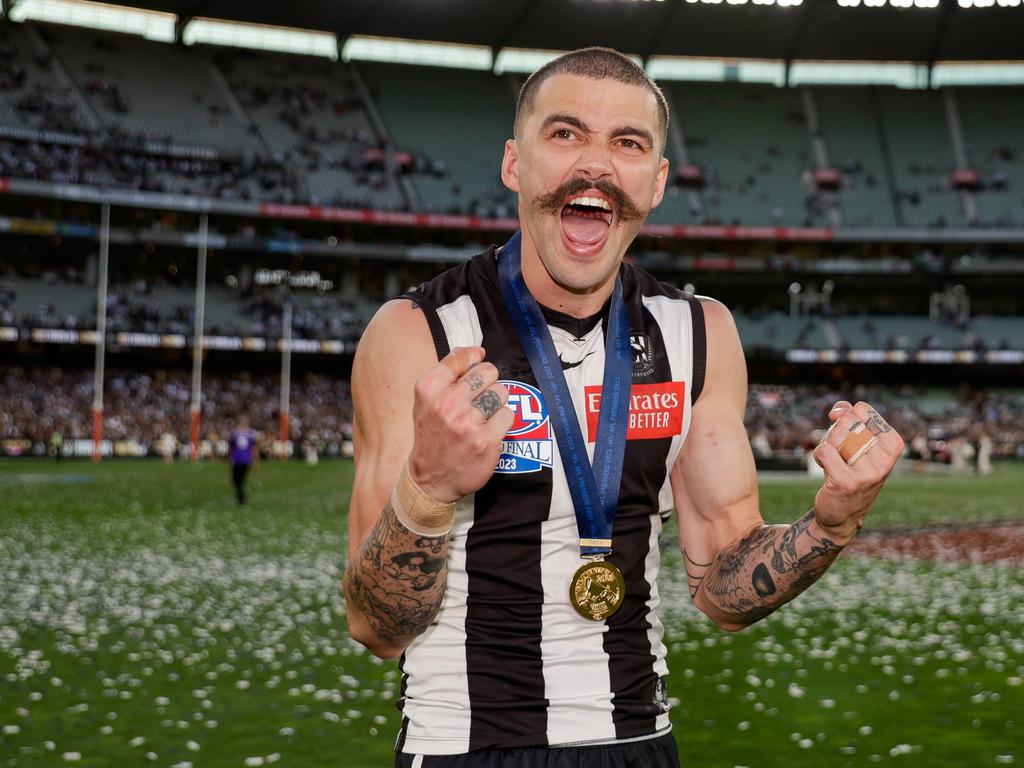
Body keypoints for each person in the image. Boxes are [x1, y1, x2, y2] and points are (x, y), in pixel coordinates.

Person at [342, 47, 905, 768]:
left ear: (659, 181)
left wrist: (833, 521)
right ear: (515, 163)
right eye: (566, 134)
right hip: (465, 742)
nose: (596, 166)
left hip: (638, 741)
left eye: (628, 144)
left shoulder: (700, 332)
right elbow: (375, 625)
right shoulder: (416, 333)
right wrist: (427, 489)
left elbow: (722, 590)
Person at [228, 417, 258, 504]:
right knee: (240, 480)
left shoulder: (235, 434)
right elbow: (254, 449)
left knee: (236, 480)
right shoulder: (250, 434)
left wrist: (230, 458)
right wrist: (255, 461)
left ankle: (241, 497)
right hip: (245, 460)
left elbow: (231, 447)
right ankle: (241, 496)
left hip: (237, 460)